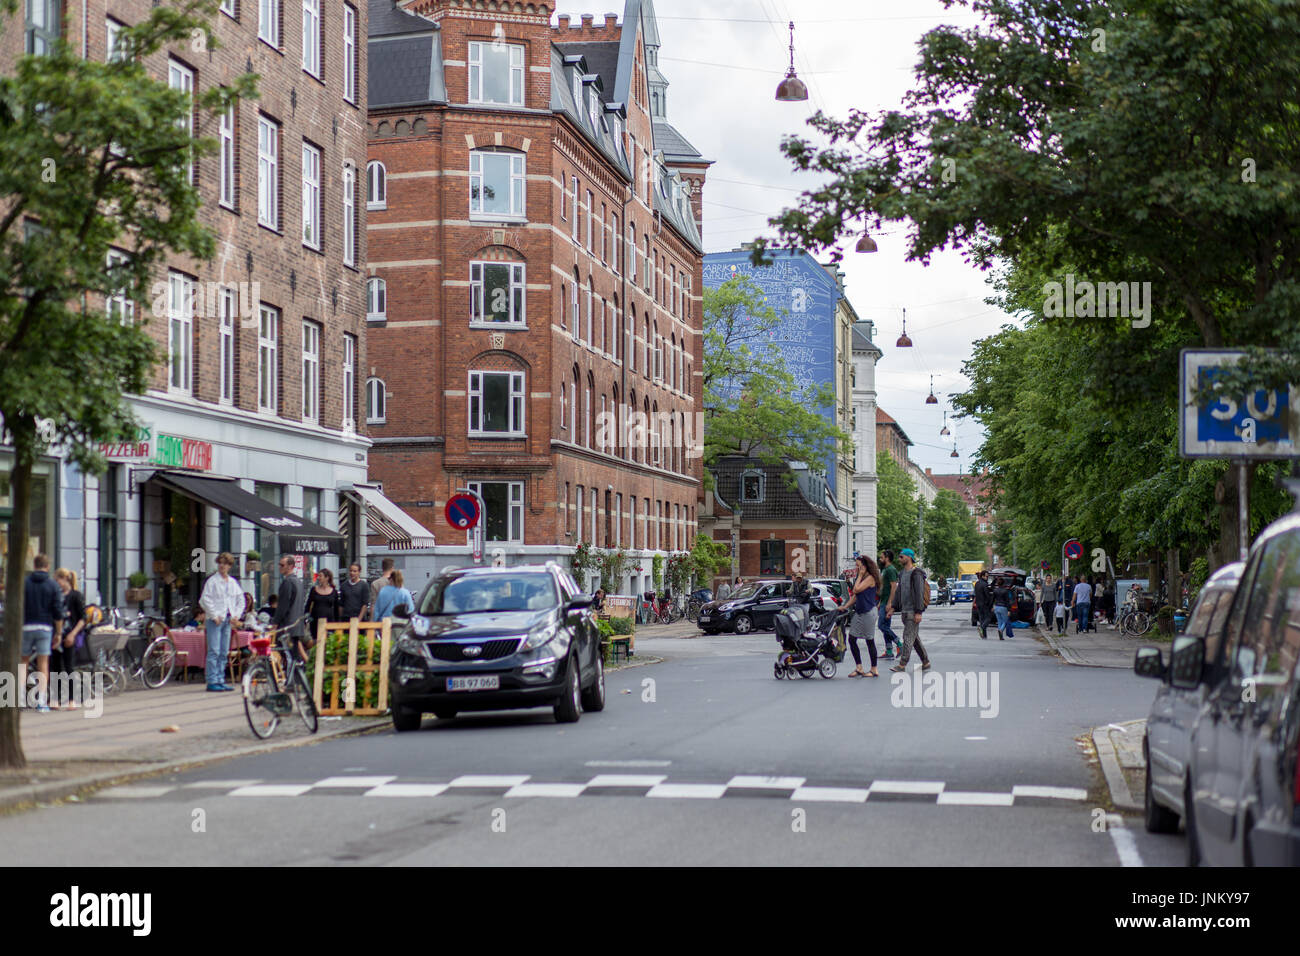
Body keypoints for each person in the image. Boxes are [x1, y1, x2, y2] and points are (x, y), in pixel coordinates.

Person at [22, 553, 64, 712]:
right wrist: (58, 633)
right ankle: (41, 701)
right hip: (45, 627)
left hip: (26, 626)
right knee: (43, 663)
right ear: (47, 567)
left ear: (34, 565)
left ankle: (19, 699)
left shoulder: (25, 583)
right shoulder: (53, 585)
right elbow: (58, 612)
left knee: (23, 661)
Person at [200, 551, 245, 692]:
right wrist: (214, 615)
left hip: (227, 619)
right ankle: (212, 680)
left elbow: (241, 599)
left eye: (225, 563)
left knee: (224, 650)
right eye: (220, 562)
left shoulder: (232, 582)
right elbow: (204, 600)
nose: (222, 566)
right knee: (214, 650)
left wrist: (236, 615)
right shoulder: (212, 581)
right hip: (216, 620)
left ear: (230, 566)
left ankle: (220, 678)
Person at [887, 548, 931, 672]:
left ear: (909, 557)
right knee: (914, 638)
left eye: (902, 557)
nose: (899, 559)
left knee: (907, 637)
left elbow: (919, 593)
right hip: (905, 611)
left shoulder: (916, 574)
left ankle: (902, 664)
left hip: (913, 611)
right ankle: (925, 661)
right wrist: (893, 608)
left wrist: (919, 611)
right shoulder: (901, 574)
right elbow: (899, 591)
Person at [52, 568, 86, 710]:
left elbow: (83, 618)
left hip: (69, 635)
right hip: (56, 636)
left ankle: (71, 699)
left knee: (69, 667)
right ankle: (55, 699)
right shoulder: (56, 596)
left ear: (65, 579)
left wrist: (73, 634)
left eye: (57, 580)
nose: (56, 583)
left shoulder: (76, 596)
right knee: (55, 668)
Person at [847, 554, 883, 678]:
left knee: (869, 640)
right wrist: (845, 606)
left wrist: (860, 575)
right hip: (860, 611)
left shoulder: (870, 578)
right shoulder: (861, 577)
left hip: (868, 612)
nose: (857, 568)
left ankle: (874, 669)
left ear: (865, 566)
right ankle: (859, 667)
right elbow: (855, 596)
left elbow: (856, 590)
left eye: (858, 566)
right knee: (852, 639)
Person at [273, 554, 307, 661]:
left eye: (282, 565)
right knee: (294, 655)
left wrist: (275, 622)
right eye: (279, 565)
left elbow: (283, 606)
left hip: (287, 626)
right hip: (296, 625)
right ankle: (297, 675)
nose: (280, 567)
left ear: (290, 566)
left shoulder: (287, 582)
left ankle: (292, 676)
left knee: (287, 655)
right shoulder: (298, 582)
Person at [304, 567, 341, 644]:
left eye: (320, 576)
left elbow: (336, 609)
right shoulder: (314, 590)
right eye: (318, 576)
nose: (318, 578)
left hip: (329, 620)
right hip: (315, 621)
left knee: (328, 641)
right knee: (316, 641)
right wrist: (306, 618)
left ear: (327, 578)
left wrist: (337, 623)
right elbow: (308, 605)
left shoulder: (333, 591)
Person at [878, 550, 901, 659]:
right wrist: (880, 602)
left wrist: (890, 603)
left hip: (887, 602)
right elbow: (883, 587)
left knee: (881, 625)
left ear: (887, 558)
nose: (880, 559)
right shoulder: (884, 569)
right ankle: (889, 651)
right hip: (883, 601)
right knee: (885, 626)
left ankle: (899, 644)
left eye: (881, 557)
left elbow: (893, 587)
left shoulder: (891, 570)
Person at [973, 569, 994, 639]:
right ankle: (982, 628)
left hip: (978, 603)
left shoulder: (977, 583)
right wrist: (989, 603)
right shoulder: (985, 584)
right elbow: (987, 595)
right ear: (982, 576)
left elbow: (976, 593)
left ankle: (984, 635)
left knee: (982, 619)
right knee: (988, 618)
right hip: (984, 604)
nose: (987, 578)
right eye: (986, 576)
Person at [992, 575, 1014, 640]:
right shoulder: (1005, 591)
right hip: (1003, 607)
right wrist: (1009, 610)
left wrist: (992, 606)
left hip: (996, 607)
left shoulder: (995, 590)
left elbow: (992, 599)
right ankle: (1001, 630)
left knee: (999, 621)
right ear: (1003, 583)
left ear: (997, 584)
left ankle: (1000, 634)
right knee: (1005, 620)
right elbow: (1007, 601)